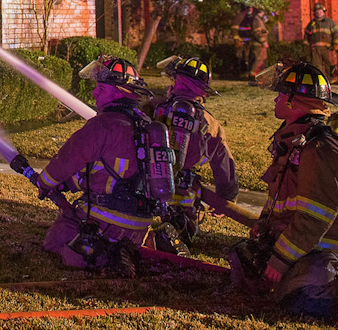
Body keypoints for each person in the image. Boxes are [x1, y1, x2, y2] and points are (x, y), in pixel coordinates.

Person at [228, 61, 338, 318]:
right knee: (242, 263)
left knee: (301, 300)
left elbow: (316, 217)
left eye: (281, 94)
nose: (276, 99)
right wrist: (264, 223)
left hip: (321, 250)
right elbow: (279, 195)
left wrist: (280, 260)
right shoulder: (294, 142)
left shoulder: (319, 149)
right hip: (298, 244)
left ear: (293, 101)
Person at [31, 56, 157, 277]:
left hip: (107, 220)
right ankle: (127, 250)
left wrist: (45, 182)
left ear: (119, 92)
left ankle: (108, 257)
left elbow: (63, 163)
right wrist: (68, 185)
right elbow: (108, 172)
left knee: (55, 241)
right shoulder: (146, 126)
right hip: (140, 226)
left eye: (101, 88)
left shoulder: (101, 126)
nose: (94, 93)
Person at [150, 56, 239, 245]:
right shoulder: (210, 123)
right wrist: (227, 197)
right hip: (185, 191)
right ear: (204, 92)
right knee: (182, 231)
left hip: (149, 181)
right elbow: (224, 164)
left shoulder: (155, 107)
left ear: (175, 81)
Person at [305, 3, 338, 82]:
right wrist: (306, 47)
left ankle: (333, 80)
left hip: (328, 49)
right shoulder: (311, 24)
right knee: (316, 66)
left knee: (331, 64)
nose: (318, 13)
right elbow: (306, 36)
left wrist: (336, 43)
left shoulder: (330, 22)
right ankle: (319, 81)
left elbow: (336, 33)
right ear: (314, 13)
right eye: (316, 11)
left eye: (320, 11)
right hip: (315, 50)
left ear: (324, 12)